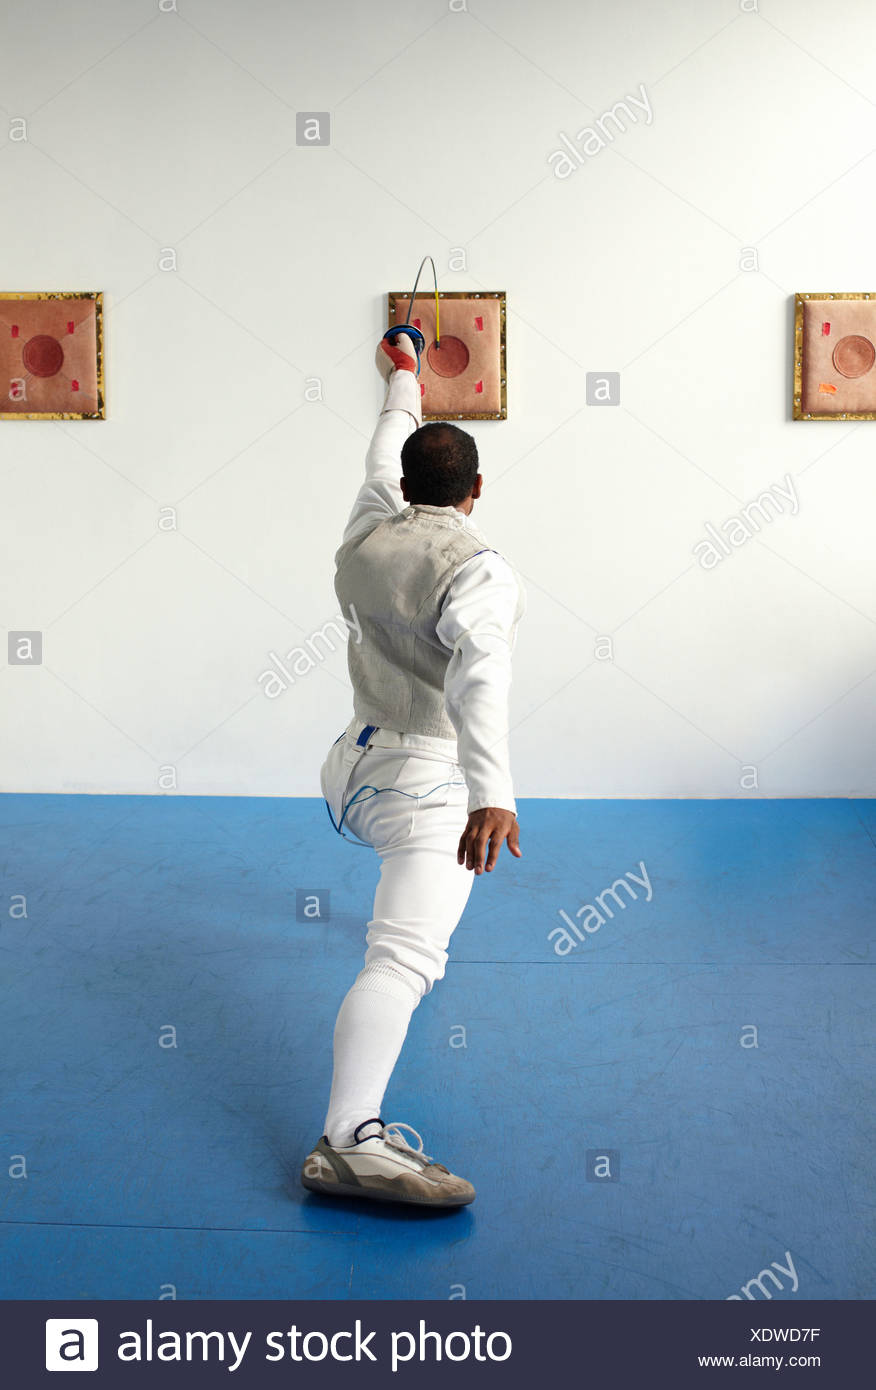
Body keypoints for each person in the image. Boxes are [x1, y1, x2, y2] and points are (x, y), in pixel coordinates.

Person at [300, 328, 526, 1207]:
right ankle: (349, 1139)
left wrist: (403, 374)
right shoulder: (480, 569)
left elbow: (383, 446)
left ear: (402, 485)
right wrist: (493, 796)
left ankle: (353, 1131)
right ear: (477, 489)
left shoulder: (366, 530)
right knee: (402, 962)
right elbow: (481, 679)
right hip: (425, 789)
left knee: (404, 937)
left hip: (351, 773)